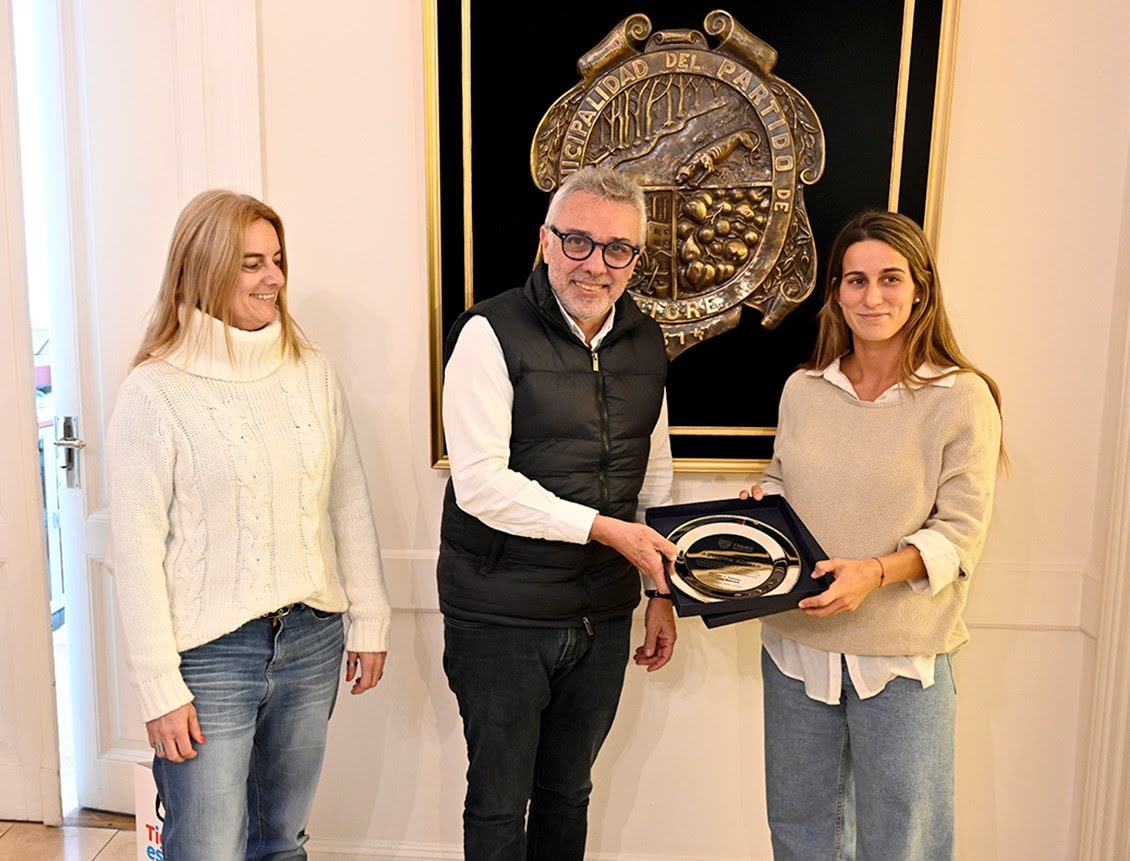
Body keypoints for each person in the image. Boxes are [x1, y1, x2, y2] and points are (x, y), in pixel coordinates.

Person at [106, 189, 391, 860]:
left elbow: (347, 499)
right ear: (204, 270)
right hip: (209, 657)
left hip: (312, 639)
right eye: (252, 264)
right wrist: (157, 686)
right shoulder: (154, 391)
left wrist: (370, 617)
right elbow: (137, 551)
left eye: (278, 259)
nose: (276, 279)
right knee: (206, 848)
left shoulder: (310, 370)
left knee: (281, 839)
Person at [743, 210, 1004, 860]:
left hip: (902, 660)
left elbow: (959, 534)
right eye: (855, 280)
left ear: (920, 288)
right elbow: (784, 479)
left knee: (903, 845)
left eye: (890, 278)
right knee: (799, 837)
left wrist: (873, 572)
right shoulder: (804, 389)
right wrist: (760, 502)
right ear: (835, 292)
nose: (872, 296)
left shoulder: (961, 397)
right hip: (796, 648)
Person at [438, 165, 678, 860]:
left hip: (601, 616)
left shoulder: (646, 341)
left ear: (634, 259)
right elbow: (480, 482)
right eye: (577, 241)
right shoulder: (488, 332)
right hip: (501, 617)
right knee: (497, 804)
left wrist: (662, 592)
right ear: (546, 242)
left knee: (569, 792)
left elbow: (653, 475)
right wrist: (605, 531)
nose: (595, 264)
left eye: (616, 249)